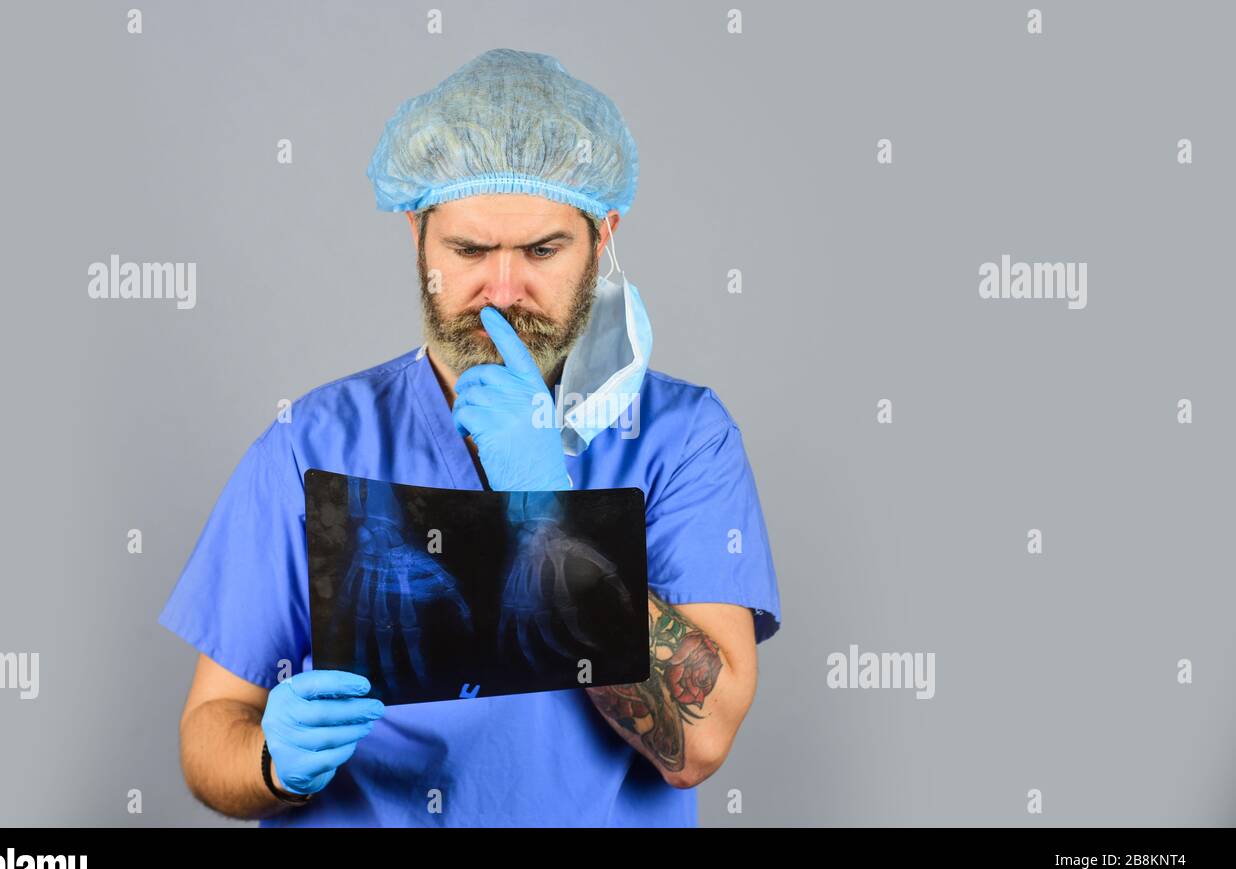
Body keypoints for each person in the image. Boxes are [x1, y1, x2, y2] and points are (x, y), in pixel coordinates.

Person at [159, 48, 781, 827]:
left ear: (603, 234)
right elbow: (209, 729)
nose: (504, 290)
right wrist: (271, 764)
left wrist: (550, 512)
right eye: (469, 251)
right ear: (417, 234)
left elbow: (698, 742)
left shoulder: (683, 440)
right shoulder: (312, 442)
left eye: (543, 250)